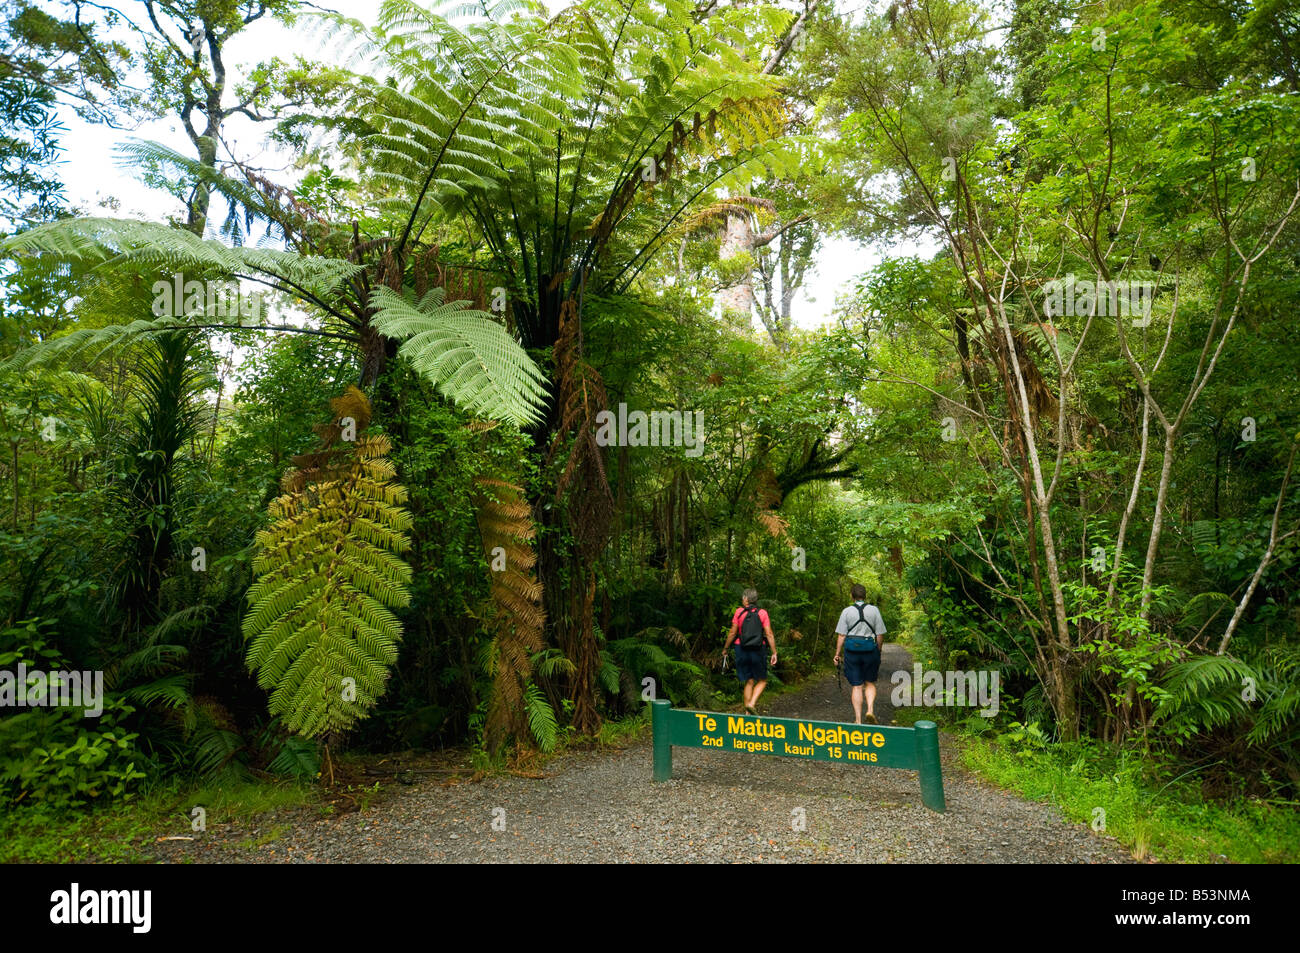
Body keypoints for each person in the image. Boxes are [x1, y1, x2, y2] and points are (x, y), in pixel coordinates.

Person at [833, 583, 887, 724]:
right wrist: (878, 650)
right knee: (869, 682)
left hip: (852, 652)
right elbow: (880, 634)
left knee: (856, 685)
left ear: (852, 596)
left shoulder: (846, 611)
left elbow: (842, 635)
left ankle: (858, 719)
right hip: (870, 651)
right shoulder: (874, 610)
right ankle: (870, 710)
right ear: (865, 596)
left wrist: (837, 653)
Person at [722, 588, 777, 714]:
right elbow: (768, 633)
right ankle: (751, 704)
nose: (742, 600)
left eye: (743, 598)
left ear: (746, 599)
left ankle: (747, 714)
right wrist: (774, 652)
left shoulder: (739, 612)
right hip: (758, 649)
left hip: (741, 648)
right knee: (762, 680)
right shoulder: (762, 613)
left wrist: (725, 648)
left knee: (749, 680)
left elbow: (732, 633)